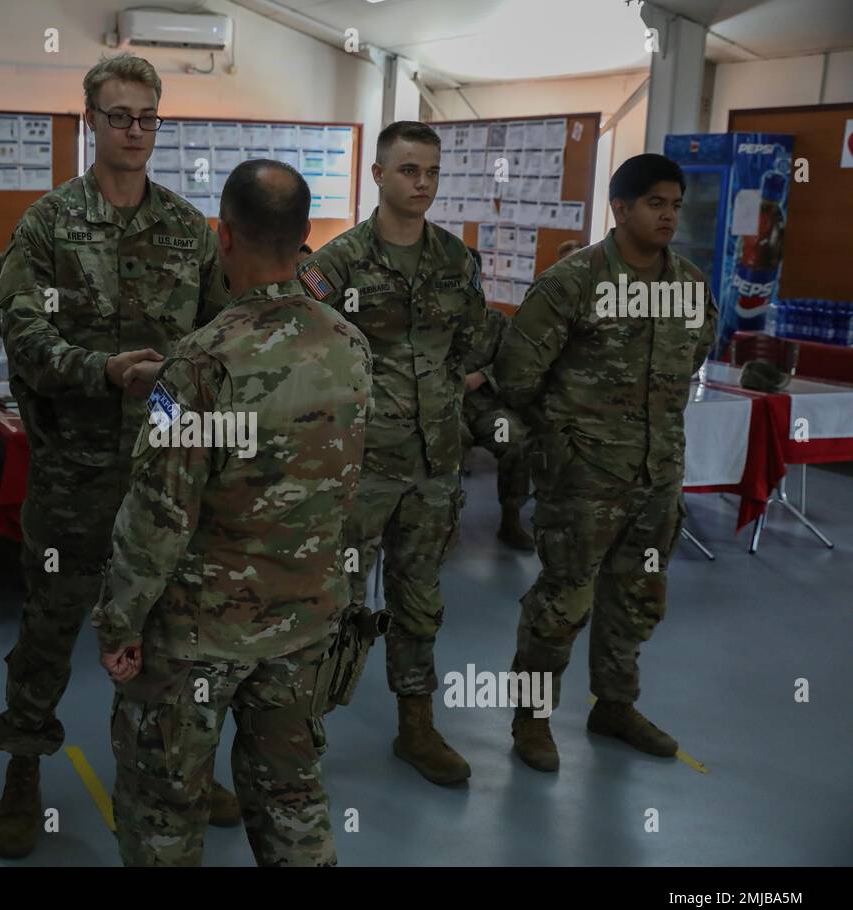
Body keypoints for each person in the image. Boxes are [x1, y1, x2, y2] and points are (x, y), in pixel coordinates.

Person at [0, 52, 233, 859]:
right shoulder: (49, 223)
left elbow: (218, 338)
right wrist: (100, 371)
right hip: (73, 474)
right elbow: (22, 334)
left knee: (173, 635)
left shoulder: (186, 229)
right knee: (51, 630)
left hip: (165, 477)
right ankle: (23, 766)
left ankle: (178, 771)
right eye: (120, 115)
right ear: (88, 121)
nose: (136, 130)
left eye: (149, 117)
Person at [93, 159, 371, 867]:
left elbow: (157, 511)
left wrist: (121, 621)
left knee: (164, 807)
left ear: (223, 236)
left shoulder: (199, 362)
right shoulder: (351, 346)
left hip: (198, 631)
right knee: (292, 797)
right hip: (304, 622)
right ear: (307, 234)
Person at [494, 153, 718, 772]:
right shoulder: (572, 284)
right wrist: (567, 437)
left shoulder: (690, 286)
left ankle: (615, 705)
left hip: (657, 477)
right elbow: (516, 377)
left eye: (675, 204)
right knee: (562, 602)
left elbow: (694, 357)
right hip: (583, 480)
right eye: (655, 203)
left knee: (638, 594)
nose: (669, 215)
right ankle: (531, 719)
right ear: (620, 209)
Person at [298, 121, 489, 786]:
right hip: (358, 469)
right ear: (377, 176)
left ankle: (417, 726)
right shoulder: (335, 264)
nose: (423, 184)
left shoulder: (457, 262)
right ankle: (303, 734)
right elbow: (304, 353)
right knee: (337, 603)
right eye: (409, 170)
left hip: (433, 466)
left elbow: (471, 345)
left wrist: (442, 403)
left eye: (432, 171)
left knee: (420, 600)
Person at [460, 298, 534, 551]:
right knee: (446, 444)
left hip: (487, 408)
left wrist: (481, 377)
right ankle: (443, 525)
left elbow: (514, 361)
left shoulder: (498, 322)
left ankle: (510, 520)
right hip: (446, 408)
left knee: (515, 441)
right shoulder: (434, 318)